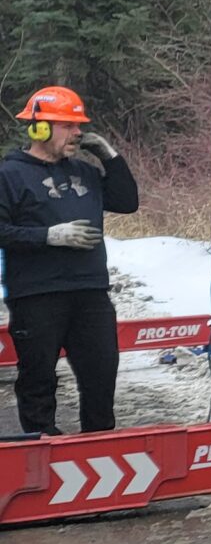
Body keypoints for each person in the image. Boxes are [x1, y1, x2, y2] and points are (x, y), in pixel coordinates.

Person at [0, 86, 139, 437]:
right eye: (68, 125)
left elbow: (127, 201)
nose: (77, 133)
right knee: (38, 378)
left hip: (90, 292)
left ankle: (98, 446)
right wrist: (48, 236)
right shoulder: (9, 175)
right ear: (39, 128)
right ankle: (40, 449)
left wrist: (109, 156)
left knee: (101, 372)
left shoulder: (84, 172)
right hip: (37, 294)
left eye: (79, 126)